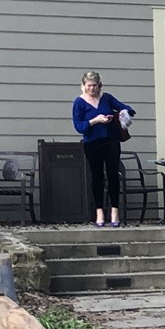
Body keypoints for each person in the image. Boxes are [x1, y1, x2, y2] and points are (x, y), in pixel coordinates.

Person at [71, 71, 135, 228]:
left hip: (111, 141)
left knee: (113, 175)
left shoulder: (107, 98)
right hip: (92, 143)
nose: (92, 89)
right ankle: (99, 211)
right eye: (89, 86)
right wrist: (94, 121)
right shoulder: (79, 102)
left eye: (94, 86)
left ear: (99, 85)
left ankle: (114, 211)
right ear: (83, 86)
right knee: (97, 176)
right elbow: (79, 126)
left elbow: (128, 108)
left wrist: (123, 112)